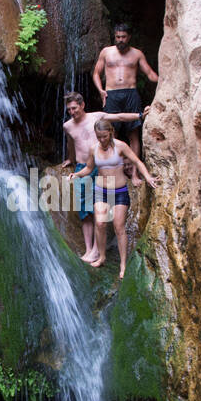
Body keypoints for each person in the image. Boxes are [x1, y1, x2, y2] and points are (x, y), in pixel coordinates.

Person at [60, 91, 147, 263]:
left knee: (96, 208)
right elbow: (71, 142)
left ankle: (96, 250)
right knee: (84, 210)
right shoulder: (67, 126)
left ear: (82, 105)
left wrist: (139, 115)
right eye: (69, 109)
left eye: (75, 108)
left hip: (98, 167)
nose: (72, 112)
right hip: (81, 166)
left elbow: (120, 117)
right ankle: (89, 249)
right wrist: (70, 158)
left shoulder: (97, 117)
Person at [82, 117, 157, 279]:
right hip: (101, 190)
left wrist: (148, 177)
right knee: (100, 223)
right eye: (98, 137)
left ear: (111, 132)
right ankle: (102, 257)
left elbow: (137, 161)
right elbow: (88, 168)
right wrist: (77, 174)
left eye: (104, 136)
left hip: (119, 191)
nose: (102, 140)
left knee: (118, 227)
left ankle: (123, 265)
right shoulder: (93, 149)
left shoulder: (121, 146)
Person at [92, 22, 158, 160]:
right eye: (117, 37)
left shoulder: (137, 54)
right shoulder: (106, 52)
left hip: (130, 94)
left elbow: (150, 74)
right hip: (111, 94)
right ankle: (113, 167)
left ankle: (134, 172)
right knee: (111, 132)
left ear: (129, 37)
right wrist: (100, 90)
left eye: (123, 37)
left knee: (133, 133)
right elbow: (96, 73)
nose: (120, 40)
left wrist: (165, 80)